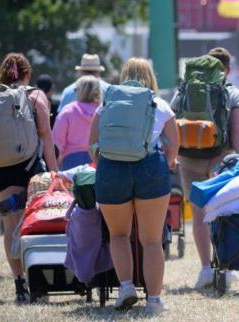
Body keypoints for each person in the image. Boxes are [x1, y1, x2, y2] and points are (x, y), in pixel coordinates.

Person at [89, 58, 177, 314]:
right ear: (150, 77)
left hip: (111, 168)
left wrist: (107, 165)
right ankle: (154, 301)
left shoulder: (106, 105)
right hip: (150, 167)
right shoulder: (160, 104)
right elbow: (173, 147)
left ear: (123, 76)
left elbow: (92, 146)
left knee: (118, 235)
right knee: (151, 240)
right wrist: (165, 164)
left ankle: (126, 287)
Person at [172, 47, 239, 290]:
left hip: (188, 159)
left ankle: (206, 269)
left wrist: (173, 156)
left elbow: (172, 123)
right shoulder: (233, 93)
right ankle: (227, 266)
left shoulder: (184, 90)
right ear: (227, 70)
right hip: (221, 159)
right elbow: (237, 131)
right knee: (225, 212)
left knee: (199, 215)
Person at [0, 53, 57, 303]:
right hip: (29, 168)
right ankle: (36, 280)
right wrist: (54, 171)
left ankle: (19, 283)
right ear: (27, 73)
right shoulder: (36, 96)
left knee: (10, 227)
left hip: (0, 168)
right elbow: (46, 135)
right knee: (33, 226)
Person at [53, 76, 101, 170]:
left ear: (79, 90)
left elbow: (57, 143)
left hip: (70, 163)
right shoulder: (102, 111)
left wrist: (55, 166)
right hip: (96, 162)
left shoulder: (68, 111)